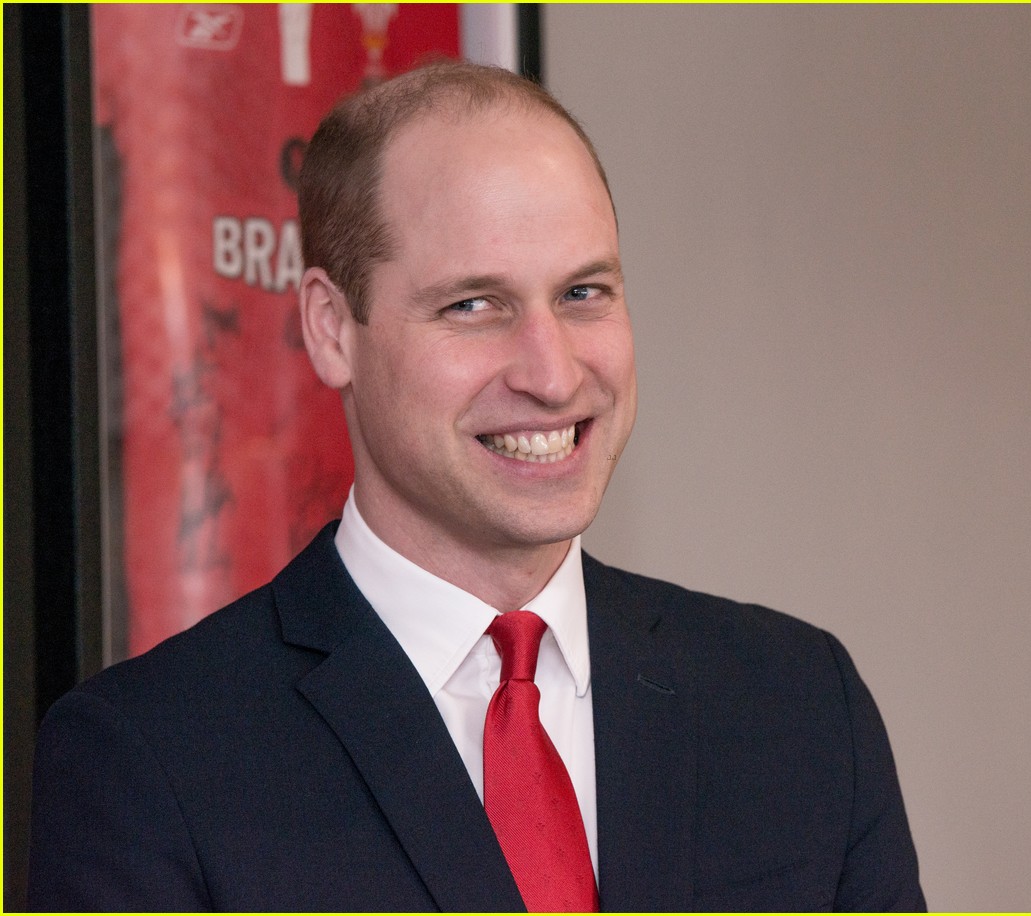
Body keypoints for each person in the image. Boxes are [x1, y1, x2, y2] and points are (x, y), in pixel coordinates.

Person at [29, 60, 924, 912]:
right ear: (332, 329)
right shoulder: (151, 761)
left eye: (583, 293)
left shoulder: (800, 708)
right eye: (473, 305)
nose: (552, 372)